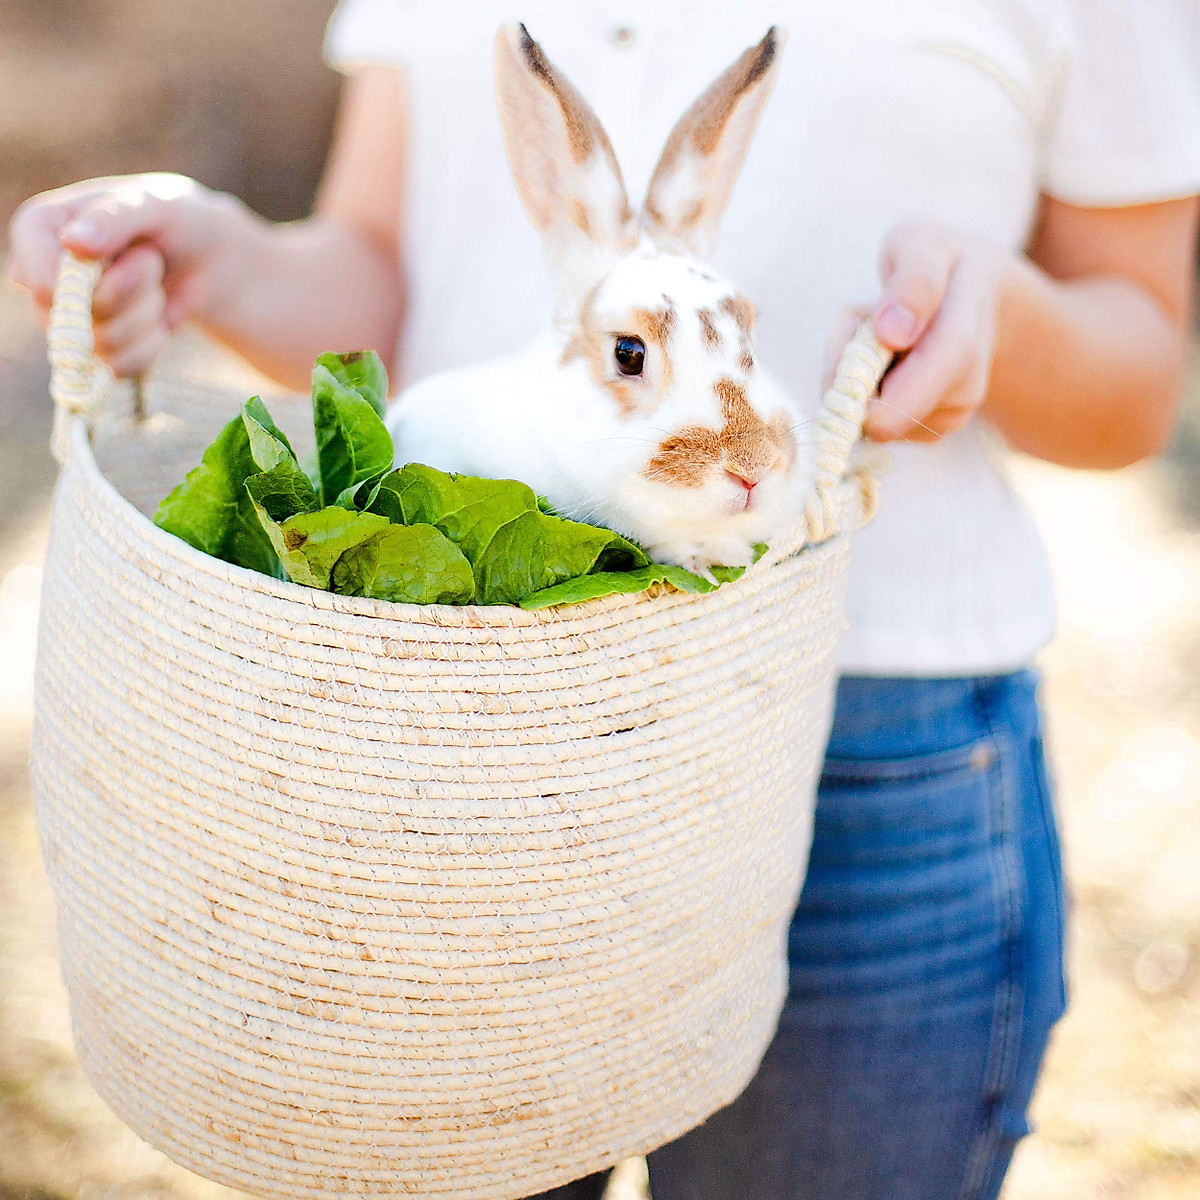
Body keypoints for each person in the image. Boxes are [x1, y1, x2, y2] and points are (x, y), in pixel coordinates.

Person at [7, 2, 1199, 1197]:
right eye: (637, 357)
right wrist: (227, 261)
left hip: (873, 754)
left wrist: (997, 314)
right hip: (450, 771)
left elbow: (1140, 365)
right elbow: (376, 267)